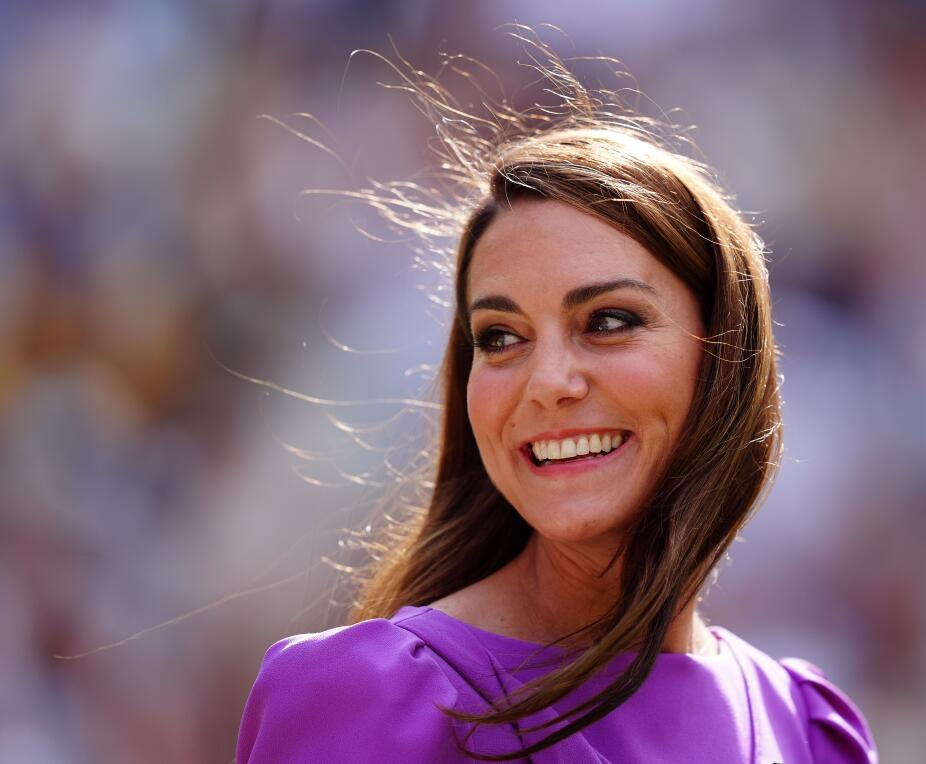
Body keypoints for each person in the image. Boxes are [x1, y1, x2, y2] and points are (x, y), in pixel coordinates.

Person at [236, 38, 877, 763]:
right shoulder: (370, 698)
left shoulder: (810, 731)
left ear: (725, 354)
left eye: (607, 322)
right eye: (502, 337)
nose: (548, 382)